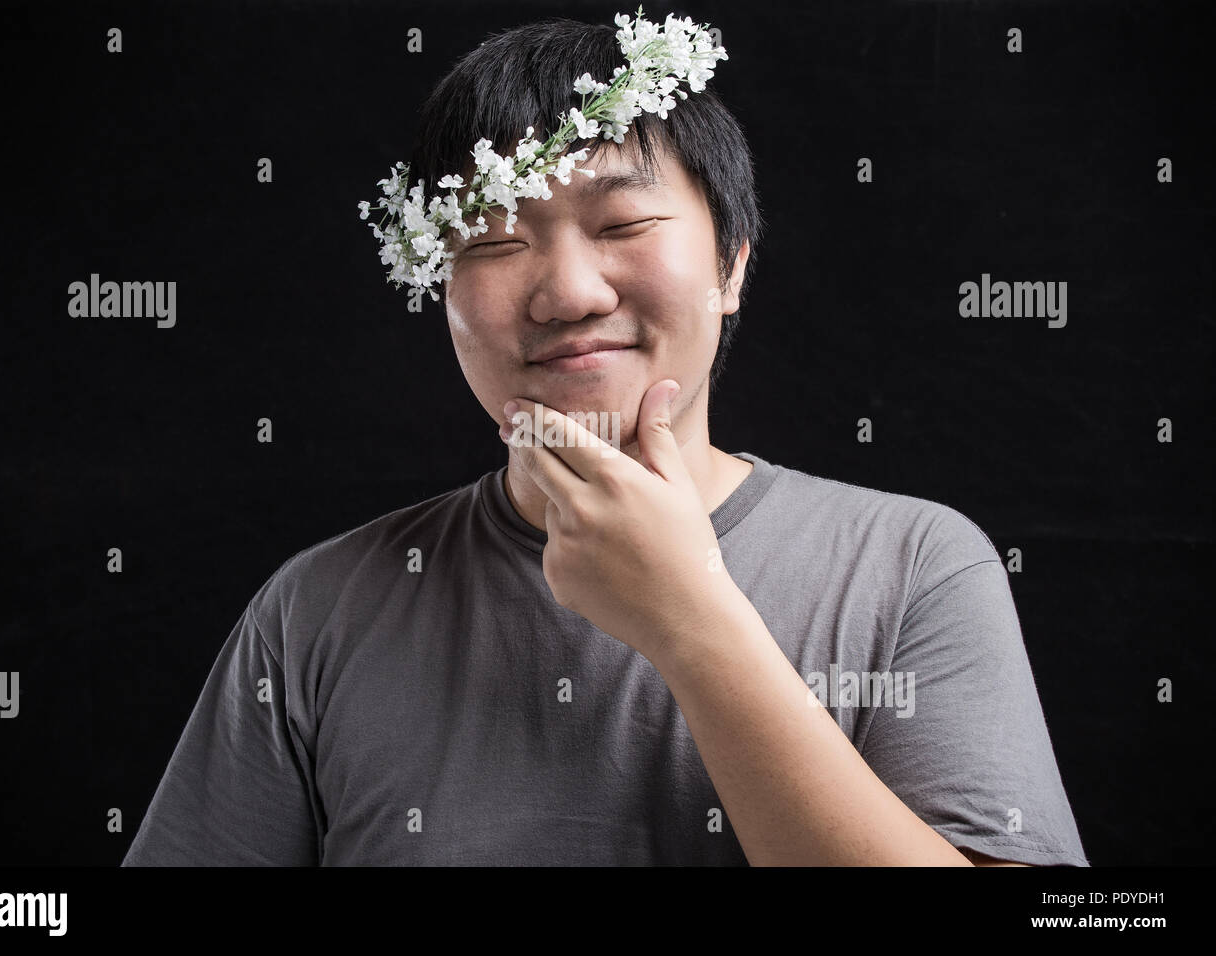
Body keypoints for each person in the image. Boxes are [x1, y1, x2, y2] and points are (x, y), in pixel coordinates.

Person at [122, 14, 1088, 867]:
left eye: (622, 222)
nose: (570, 294)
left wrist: (691, 622)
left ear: (732, 264)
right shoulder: (316, 613)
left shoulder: (912, 568)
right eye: (496, 242)